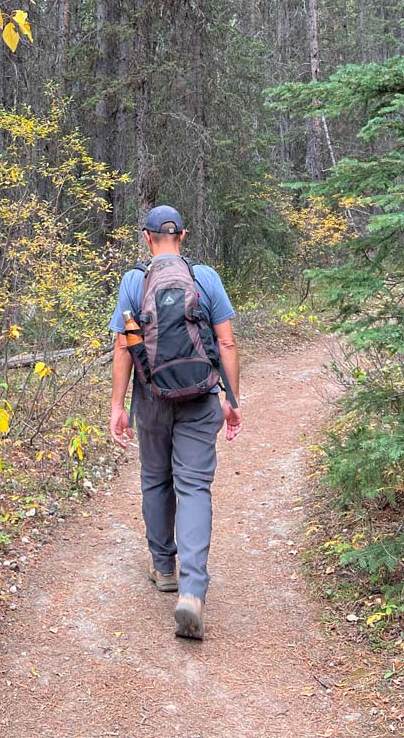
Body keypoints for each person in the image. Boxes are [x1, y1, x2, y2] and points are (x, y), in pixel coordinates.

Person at [108, 204, 242, 640]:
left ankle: (164, 567)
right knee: (194, 486)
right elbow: (226, 341)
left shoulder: (134, 281)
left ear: (147, 238)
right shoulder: (205, 279)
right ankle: (192, 591)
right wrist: (231, 398)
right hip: (201, 396)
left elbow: (125, 346)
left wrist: (117, 405)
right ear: (182, 235)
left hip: (152, 398)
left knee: (155, 479)